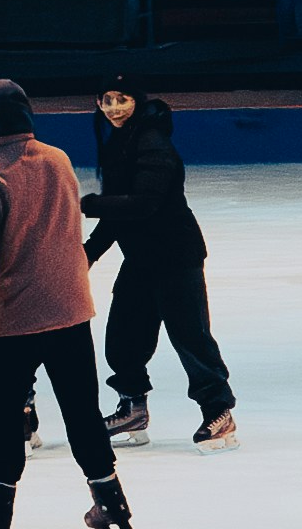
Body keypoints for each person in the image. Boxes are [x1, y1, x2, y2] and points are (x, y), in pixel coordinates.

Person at [0, 74, 133, 529]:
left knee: (4, 416)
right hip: (69, 307)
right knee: (82, 410)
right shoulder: (58, 159)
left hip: (14, 316)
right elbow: (54, 229)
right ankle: (111, 501)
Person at [86, 78, 236, 440]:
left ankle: (219, 411)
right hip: (140, 259)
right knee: (123, 337)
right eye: (106, 100)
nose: (113, 108)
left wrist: (86, 205)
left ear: (137, 102)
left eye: (122, 100)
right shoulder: (118, 142)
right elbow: (119, 213)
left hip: (175, 255)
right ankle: (132, 407)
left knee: (190, 336)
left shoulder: (152, 142)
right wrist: (87, 253)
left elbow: (143, 203)